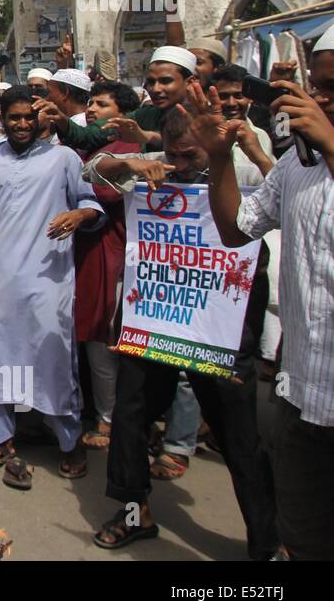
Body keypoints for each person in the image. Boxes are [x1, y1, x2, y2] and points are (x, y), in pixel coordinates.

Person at [87, 107, 279, 558]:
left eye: (190, 155)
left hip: (223, 326)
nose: (181, 163)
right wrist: (131, 162)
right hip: (155, 321)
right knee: (131, 422)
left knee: (240, 438)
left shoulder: (241, 167)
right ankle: (136, 515)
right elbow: (91, 170)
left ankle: (266, 542)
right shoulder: (157, 166)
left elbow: (284, 198)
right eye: (173, 154)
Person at [189, 23, 334, 560]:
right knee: (304, 539)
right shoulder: (297, 164)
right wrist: (219, 158)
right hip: (302, 398)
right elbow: (236, 230)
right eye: (315, 86)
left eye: (332, 88)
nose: (317, 99)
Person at [0, 86, 102, 490]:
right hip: (1, 276)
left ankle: (69, 441)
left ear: (41, 119)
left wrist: (77, 214)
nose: (20, 125)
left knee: (53, 352)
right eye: (12, 117)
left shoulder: (64, 158)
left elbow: (92, 203)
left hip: (49, 275)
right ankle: (0, 438)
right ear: (1, 117)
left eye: (27, 118)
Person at [70, 80, 142, 450]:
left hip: (112, 254)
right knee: (86, 338)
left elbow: (104, 191)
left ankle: (109, 418)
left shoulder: (133, 149)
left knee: (103, 340)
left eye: (101, 104)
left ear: (124, 114)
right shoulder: (88, 145)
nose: (91, 110)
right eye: (90, 104)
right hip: (84, 253)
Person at [51, 46, 199, 153]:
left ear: (190, 82)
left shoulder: (207, 115)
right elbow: (88, 136)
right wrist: (60, 119)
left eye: (165, 81)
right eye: (151, 82)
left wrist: (149, 137)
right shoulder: (144, 116)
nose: (156, 89)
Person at [211, 64, 275, 174]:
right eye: (223, 96)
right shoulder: (204, 135)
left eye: (238, 96)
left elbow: (272, 179)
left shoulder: (261, 136)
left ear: (250, 98)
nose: (231, 103)